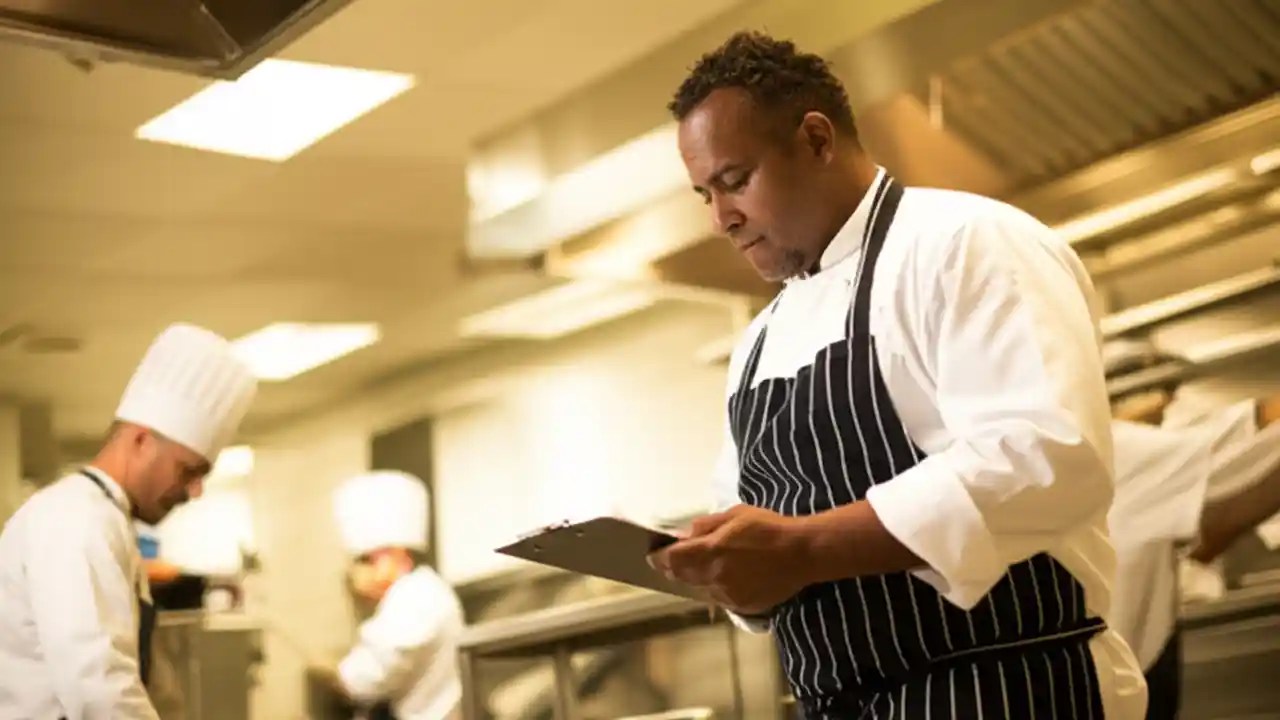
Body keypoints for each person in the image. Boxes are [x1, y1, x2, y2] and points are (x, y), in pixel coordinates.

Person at [647, 31, 1146, 718]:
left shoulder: (965, 244)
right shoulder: (758, 343)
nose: (721, 219)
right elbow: (747, 528)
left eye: (735, 181)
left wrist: (803, 549)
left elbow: (1047, 458)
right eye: (705, 193)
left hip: (1008, 687)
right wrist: (731, 573)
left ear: (817, 140)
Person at [0, 323, 258, 719]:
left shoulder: (104, 517)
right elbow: (98, 686)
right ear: (141, 442)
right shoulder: (77, 518)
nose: (195, 491)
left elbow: (141, 679)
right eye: (188, 471)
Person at [1104, 338, 1280, 720]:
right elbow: (1261, 427)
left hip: (1135, 672)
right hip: (1115, 687)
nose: (1169, 402)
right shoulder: (1118, 451)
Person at [314, 470, 465, 720]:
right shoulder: (416, 592)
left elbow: (362, 681)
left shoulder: (416, 599)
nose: (356, 572)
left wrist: (327, 670)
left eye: (364, 560)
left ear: (394, 556)